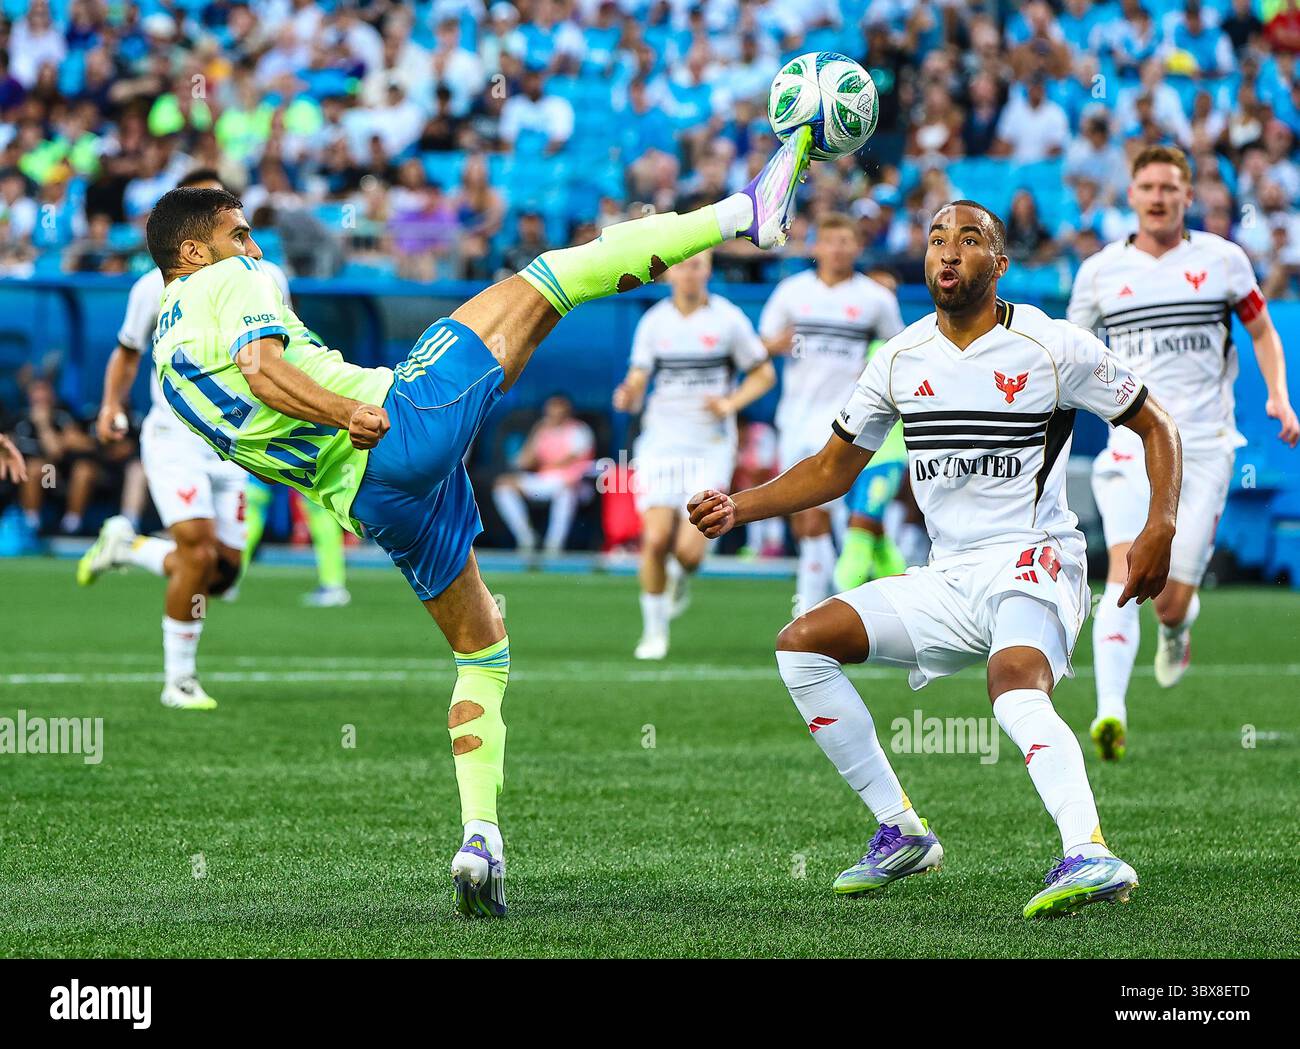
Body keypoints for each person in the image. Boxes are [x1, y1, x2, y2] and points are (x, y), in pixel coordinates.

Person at [135, 128, 811, 917]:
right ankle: (743, 211)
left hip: (371, 504)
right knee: (548, 280)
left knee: (483, 650)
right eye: (236, 233)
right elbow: (264, 368)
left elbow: (248, 399)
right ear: (192, 253)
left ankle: (479, 839)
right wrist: (345, 406)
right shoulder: (233, 279)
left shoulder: (167, 357)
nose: (251, 245)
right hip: (394, 422)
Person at [688, 200, 1181, 919]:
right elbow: (831, 468)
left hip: (1035, 560)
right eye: (937, 238)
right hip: (947, 574)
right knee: (801, 645)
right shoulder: (899, 356)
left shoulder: (1052, 346)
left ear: (1000, 264)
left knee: (1013, 685)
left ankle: (1089, 849)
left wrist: (1159, 523)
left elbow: (1154, 422)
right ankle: (903, 830)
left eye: (971, 239)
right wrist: (740, 505)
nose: (949, 251)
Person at [1068, 145, 1299, 761]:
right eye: (1147, 186)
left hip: (1204, 447)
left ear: (1187, 196)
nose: (1158, 196)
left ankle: (1177, 631)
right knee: (1123, 574)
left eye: (1170, 187)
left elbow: (1262, 330)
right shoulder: (1098, 273)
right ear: (1133, 194)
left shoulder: (1223, 260)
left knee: (1168, 600)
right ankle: (1110, 714)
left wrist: (1278, 396)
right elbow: (1072, 354)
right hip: (1131, 443)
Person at [78, 170, 292, 709]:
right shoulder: (153, 285)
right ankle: (179, 680)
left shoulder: (267, 277)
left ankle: (131, 547)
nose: (245, 240)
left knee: (219, 573)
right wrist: (111, 406)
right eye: (233, 231)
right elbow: (128, 350)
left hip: (236, 440)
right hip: (176, 433)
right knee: (195, 551)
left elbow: (282, 355)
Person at [612, 250, 774, 659]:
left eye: (698, 265)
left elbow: (764, 373)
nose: (690, 273)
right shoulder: (654, 322)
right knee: (654, 539)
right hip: (661, 443)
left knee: (688, 548)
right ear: (669, 274)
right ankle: (654, 634)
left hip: (710, 446)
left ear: (708, 271)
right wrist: (629, 393)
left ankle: (679, 578)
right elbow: (638, 377)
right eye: (683, 266)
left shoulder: (728, 319)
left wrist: (731, 403)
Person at [759, 212, 904, 616]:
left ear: (857, 247)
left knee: (834, 513)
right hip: (796, 417)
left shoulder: (876, 299)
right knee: (804, 517)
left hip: (848, 422)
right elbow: (762, 344)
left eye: (846, 241)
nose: (838, 249)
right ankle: (832, 600)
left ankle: (814, 606)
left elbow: (897, 356)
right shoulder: (791, 293)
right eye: (831, 241)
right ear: (816, 246)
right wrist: (778, 343)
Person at [834, 266, 909, 592]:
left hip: (886, 454)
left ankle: (837, 601)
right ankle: (903, 591)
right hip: (850, 454)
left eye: (887, 291)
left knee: (860, 526)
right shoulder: (849, 348)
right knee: (873, 531)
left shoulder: (904, 350)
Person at [491, 393, 595, 555]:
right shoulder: (541, 430)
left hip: (574, 483)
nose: (555, 415)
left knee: (565, 491)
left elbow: (566, 461)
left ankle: (553, 546)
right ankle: (526, 538)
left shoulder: (579, 430)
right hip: (544, 481)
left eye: (559, 410)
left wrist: (543, 461)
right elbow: (523, 462)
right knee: (503, 486)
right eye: (551, 410)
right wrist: (536, 434)